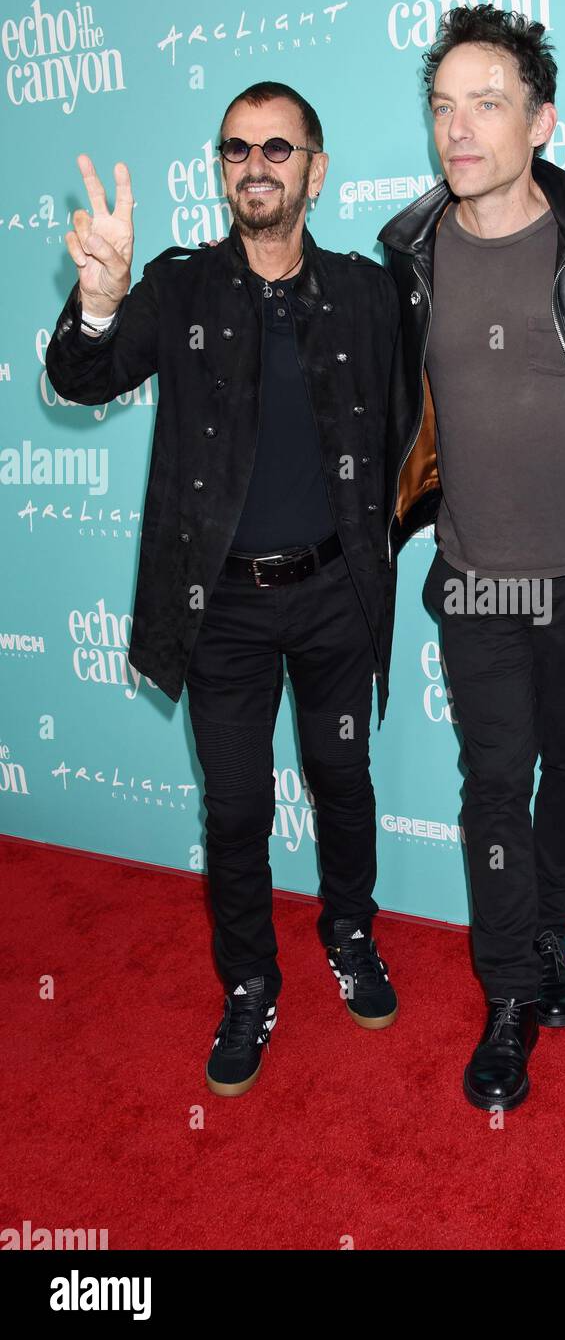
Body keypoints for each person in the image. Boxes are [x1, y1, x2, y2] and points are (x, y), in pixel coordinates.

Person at [45, 81, 413, 1098]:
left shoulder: (367, 294)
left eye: (279, 148)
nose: (257, 164)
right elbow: (80, 378)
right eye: (237, 148)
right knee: (238, 804)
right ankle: (250, 980)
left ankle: (349, 934)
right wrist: (102, 299)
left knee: (344, 783)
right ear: (220, 169)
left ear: (315, 168)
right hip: (224, 607)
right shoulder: (178, 290)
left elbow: (413, 431)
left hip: (337, 593)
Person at [379, 5, 565, 1111]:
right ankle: (509, 993)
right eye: (443, 107)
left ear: (541, 119)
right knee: (493, 785)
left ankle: (551, 929)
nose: (459, 130)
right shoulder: (405, 254)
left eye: (487, 104)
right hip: (477, 579)